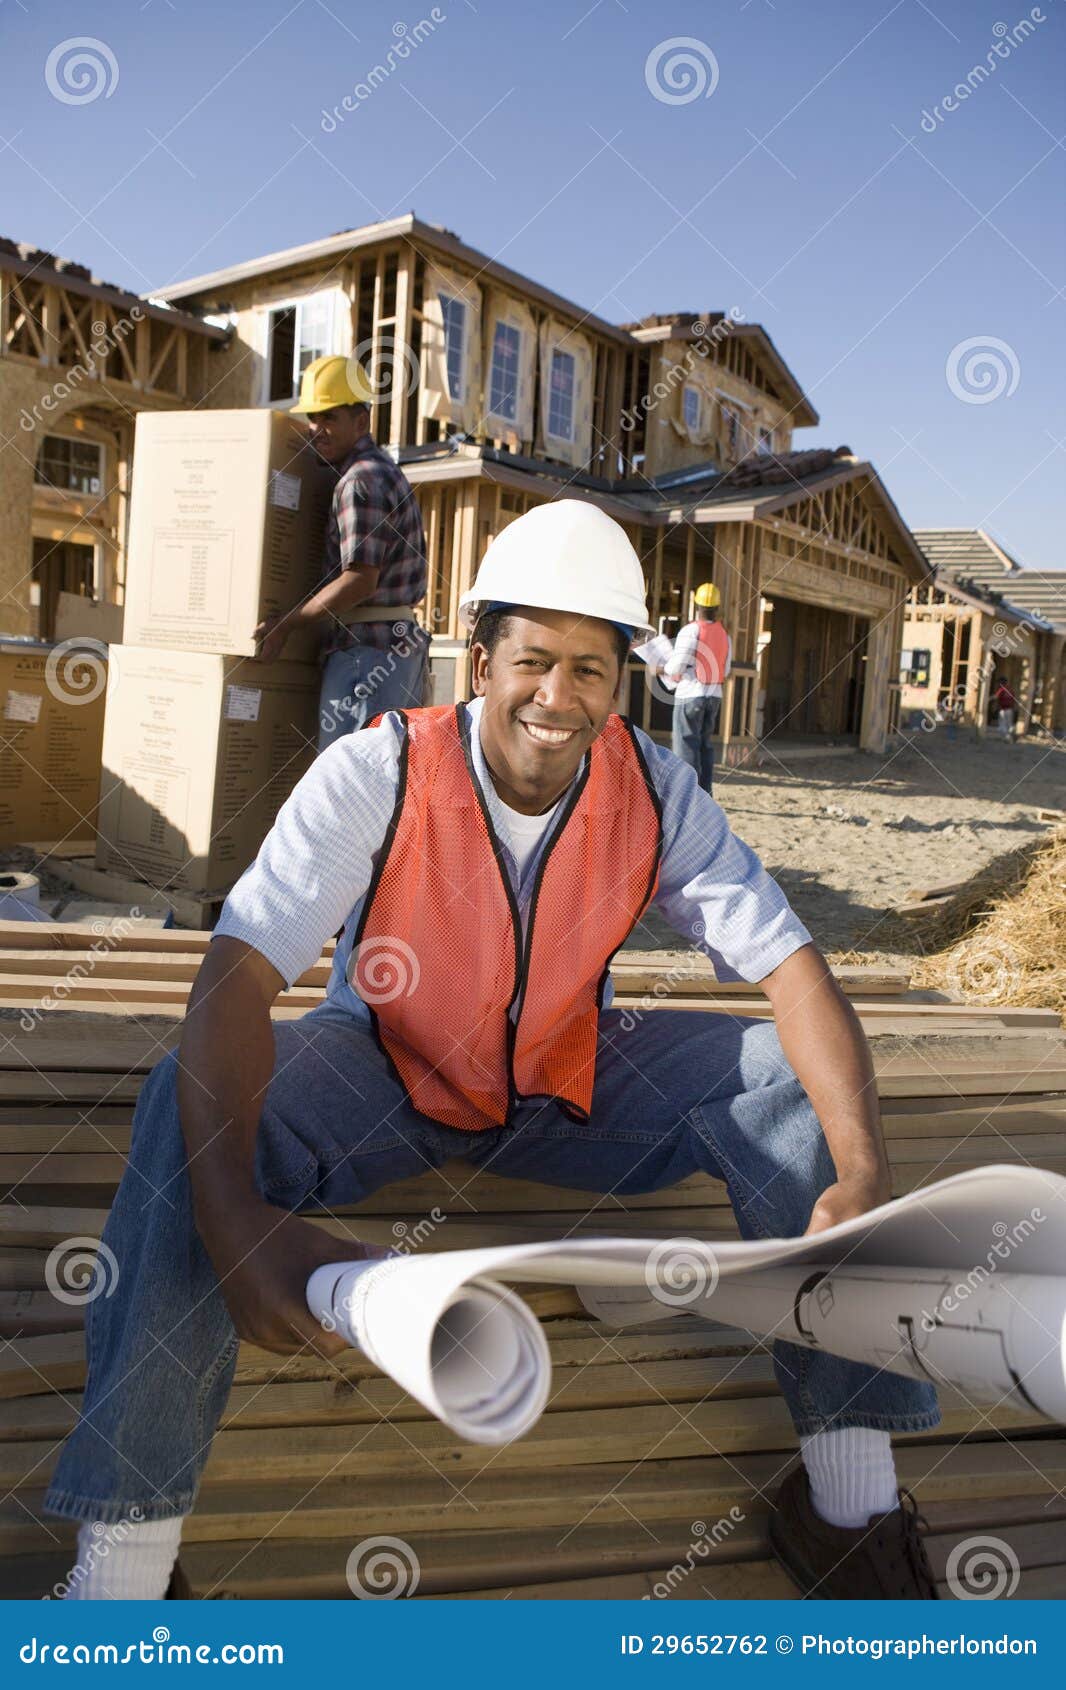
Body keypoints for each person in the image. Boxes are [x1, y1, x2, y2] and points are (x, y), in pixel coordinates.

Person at [42, 500, 941, 1602]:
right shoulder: (380, 770)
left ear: (625, 685)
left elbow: (795, 970)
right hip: (382, 1069)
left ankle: (848, 1513)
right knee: (189, 1107)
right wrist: (231, 1215)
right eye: (532, 661)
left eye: (590, 670)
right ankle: (122, 1578)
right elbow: (236, 974)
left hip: (566, 1083)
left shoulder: (655, 791)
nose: (557, 697)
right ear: (479, 660)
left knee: (790, 1090)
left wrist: (863, 1180)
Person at [253, 353, 430, 751]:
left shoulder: (360, 480)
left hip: (367, 653)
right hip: (387, 650)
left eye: (329, 417)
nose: (317, 429)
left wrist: (285, 625)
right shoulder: (379, 470)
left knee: (349, 786)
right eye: (313, 418)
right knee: (385, 783)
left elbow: (359, 580)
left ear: (361, 421)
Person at [660, 582, 731, 795]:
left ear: (696, 604)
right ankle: (705, 793)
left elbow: (676, 665)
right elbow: (725, 670)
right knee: (705, 746)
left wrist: (661, 668)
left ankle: (686, 795)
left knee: (685, 746)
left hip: (690, 694)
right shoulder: (725, 635)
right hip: (714, 696)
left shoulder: (691, 631)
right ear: (717, 608)